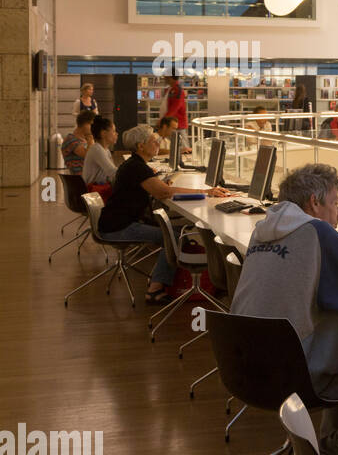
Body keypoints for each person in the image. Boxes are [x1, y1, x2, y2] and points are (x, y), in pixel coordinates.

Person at [230, 163, 338, 455]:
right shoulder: (316, 230)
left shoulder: (261, 230)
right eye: (335, 203)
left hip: (242, 369)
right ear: (314, 204)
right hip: (294, 375)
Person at [98, 125, 229, 305]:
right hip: (119, 227)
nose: (158, 143)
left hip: (117, 222)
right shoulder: (137, 168)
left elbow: (159, 189)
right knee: (174, 237)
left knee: (174, 232)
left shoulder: (135, 165)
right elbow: (164, 193)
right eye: (154, 141)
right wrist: (205, 192)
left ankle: (159, 279)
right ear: (140, 146)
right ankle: (155, 289)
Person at [82, 116, 118, 188]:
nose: (116, 134)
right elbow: (113, 172)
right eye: (114, 131)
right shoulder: (96, 149)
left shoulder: (106, 150)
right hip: (94, 192)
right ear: (103, 133)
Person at [162, 70, 191, 153]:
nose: (164, 78)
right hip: (173, 124)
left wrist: (164, 119)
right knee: (175, 147)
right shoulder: (172, 90)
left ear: (171, 77)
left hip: (177, 124)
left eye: (166, 76)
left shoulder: (177, 90)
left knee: (184, 149)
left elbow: (175, 107)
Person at [61, 110, 94, 178]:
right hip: (81, 180)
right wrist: (91, 139)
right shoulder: (71, 140)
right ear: (84, 124)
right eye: (91, 125)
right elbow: (87, 156)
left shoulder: (85, 140)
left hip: (90, 178)